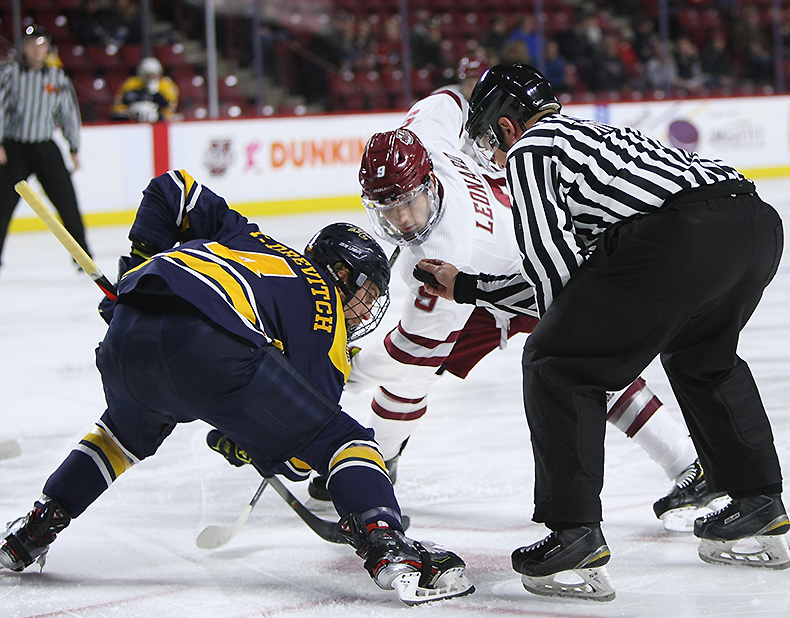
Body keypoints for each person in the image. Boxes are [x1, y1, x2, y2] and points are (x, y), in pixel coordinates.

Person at [0, 169, 474, 606]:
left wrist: (135, 270)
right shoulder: (326, 311)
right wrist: (246, 441)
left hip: (129, 330)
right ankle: (389, 546)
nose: (363, 310)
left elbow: (173, 189)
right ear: (343, 275)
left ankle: (34, 530)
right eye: (366, 293)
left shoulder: (249, 237)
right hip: (213, 348)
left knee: (118, 438)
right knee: (346, 441)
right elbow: (299, 454)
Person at [418, 63, 790, 600]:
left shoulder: (530, 150)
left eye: (486, 140)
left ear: (504, 126)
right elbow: (587, 278)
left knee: (556, 364)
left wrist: (476, 291)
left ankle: (573, 535)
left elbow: (555, 284)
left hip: (680, 237)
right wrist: (472, 288)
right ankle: (757, 503)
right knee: (702, 358)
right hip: (752, 223)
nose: (492, 157)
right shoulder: (595, 135)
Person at [302, 82, 722, 535]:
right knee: (424, 371)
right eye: (387, 210)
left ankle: (688, 463)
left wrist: (334, 369)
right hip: (492, 273)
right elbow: (449, 98)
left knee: (586, 367)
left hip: (535, 275)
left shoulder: (445, 253)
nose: (401, 221)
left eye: (408, 204)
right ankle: (375, 460)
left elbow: (409, 356)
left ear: (427, 184)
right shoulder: (428, 140)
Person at [0, 25, 91, 267]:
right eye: (31, 44)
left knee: (67, 202)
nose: (37, 50)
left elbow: (69, 113)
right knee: (2, 205)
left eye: (41, 45)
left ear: (48, 48)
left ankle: (83, 256)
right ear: (23, 48)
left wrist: (74, 147)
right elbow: (0, 108)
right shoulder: (10, 74)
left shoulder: (57, 78)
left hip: (45, 147)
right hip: (14, 148)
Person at [111, 56, 179, 123]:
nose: (151, 78)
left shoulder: (167, 86)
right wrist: (131, 111)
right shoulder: (131, 84)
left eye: (154, 75)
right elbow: (118, 107)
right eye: (148, 75)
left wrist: (157, 113)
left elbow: (170, 109)